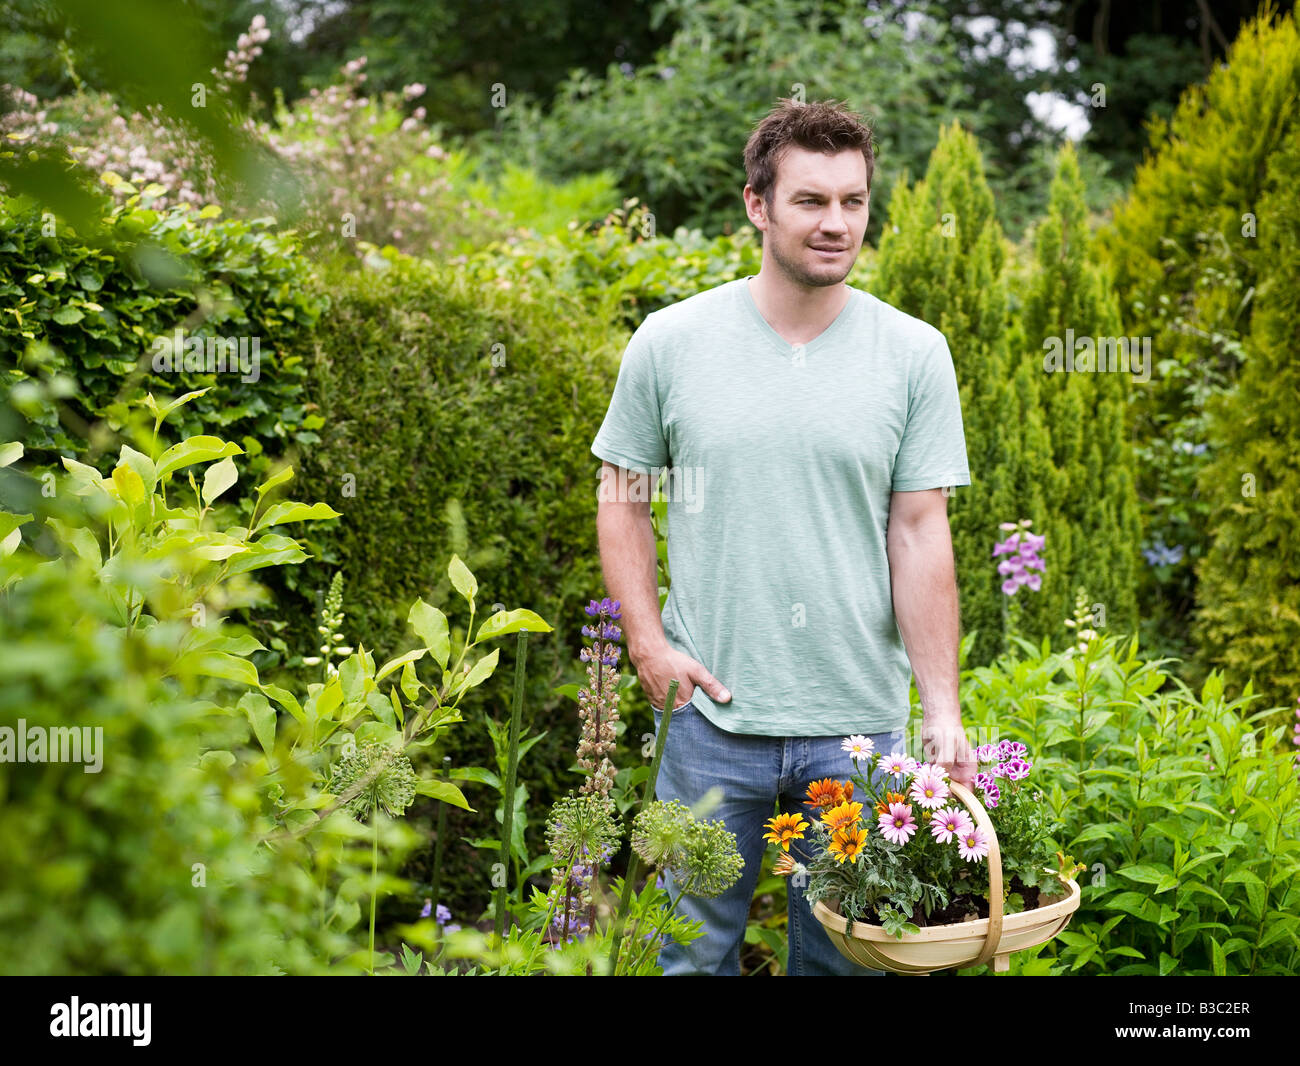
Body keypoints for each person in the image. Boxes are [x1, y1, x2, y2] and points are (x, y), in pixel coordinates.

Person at [590, 98, 977, 976]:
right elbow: (622, 496)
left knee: (847, 966)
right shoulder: (670, 342)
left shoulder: (915, 354)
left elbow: (920, 534)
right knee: (683, 961)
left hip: (859, 734)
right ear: (757, 205)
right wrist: (647, 645)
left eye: (854, 201)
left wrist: (942, 711)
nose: (837, 223)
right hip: (708, 722)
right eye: (810, 200)